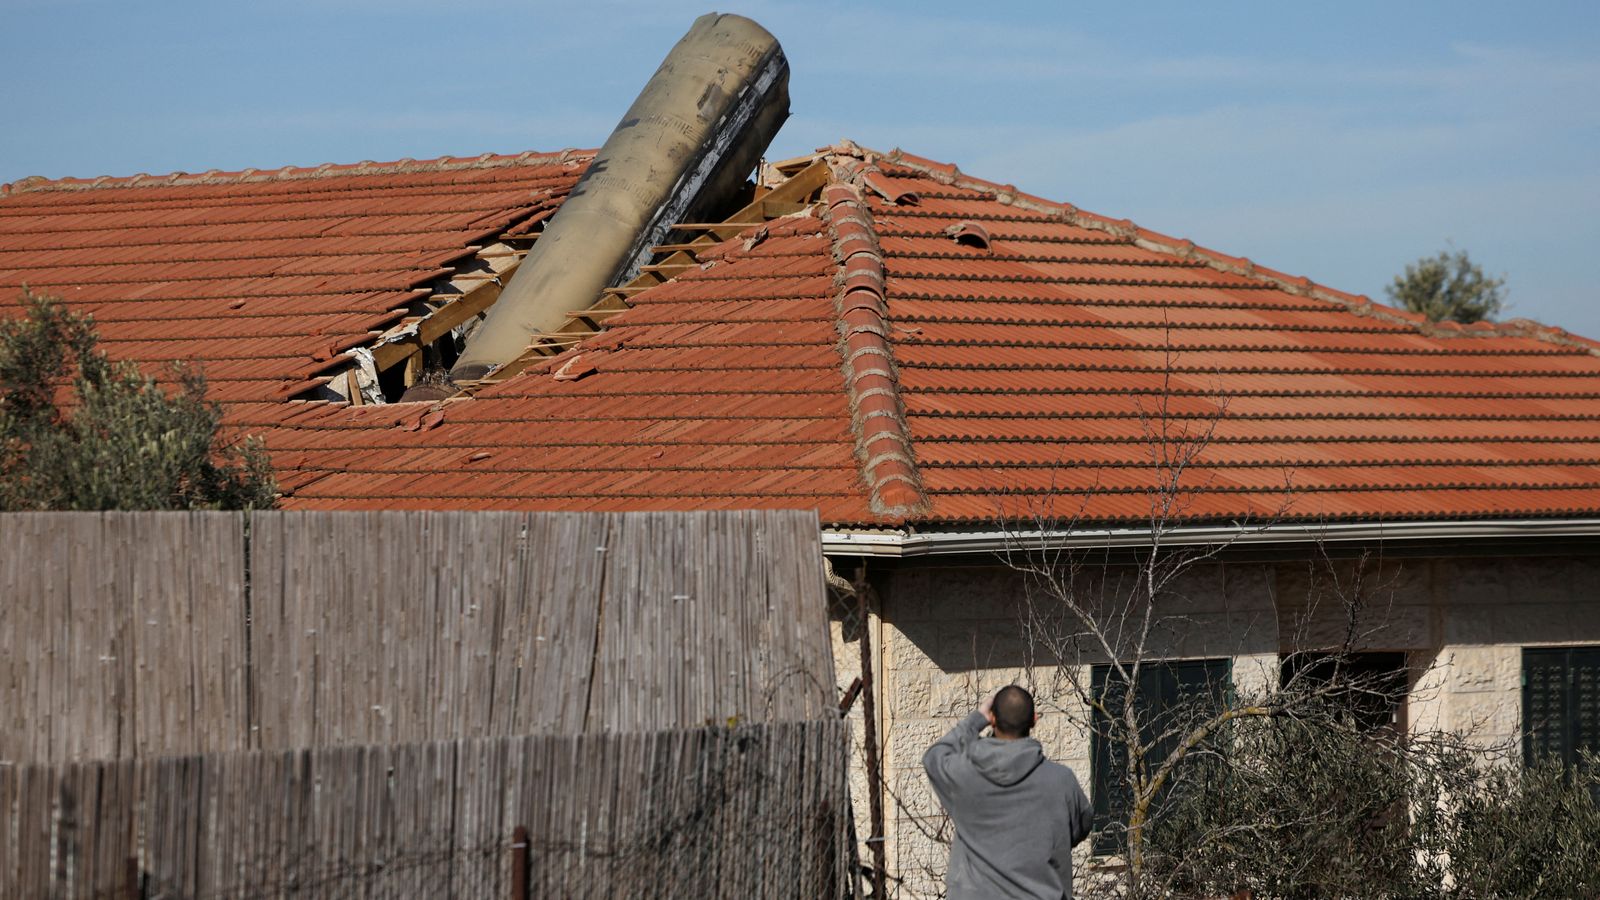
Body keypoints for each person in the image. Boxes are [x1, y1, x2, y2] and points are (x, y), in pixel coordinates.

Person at [922, 685, 1094, 899]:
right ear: (1034, 720)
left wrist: (977, 718)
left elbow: (934, 756)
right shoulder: (1061, 781)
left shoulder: (964, 776)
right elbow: (1082, 823)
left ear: (992, 719)